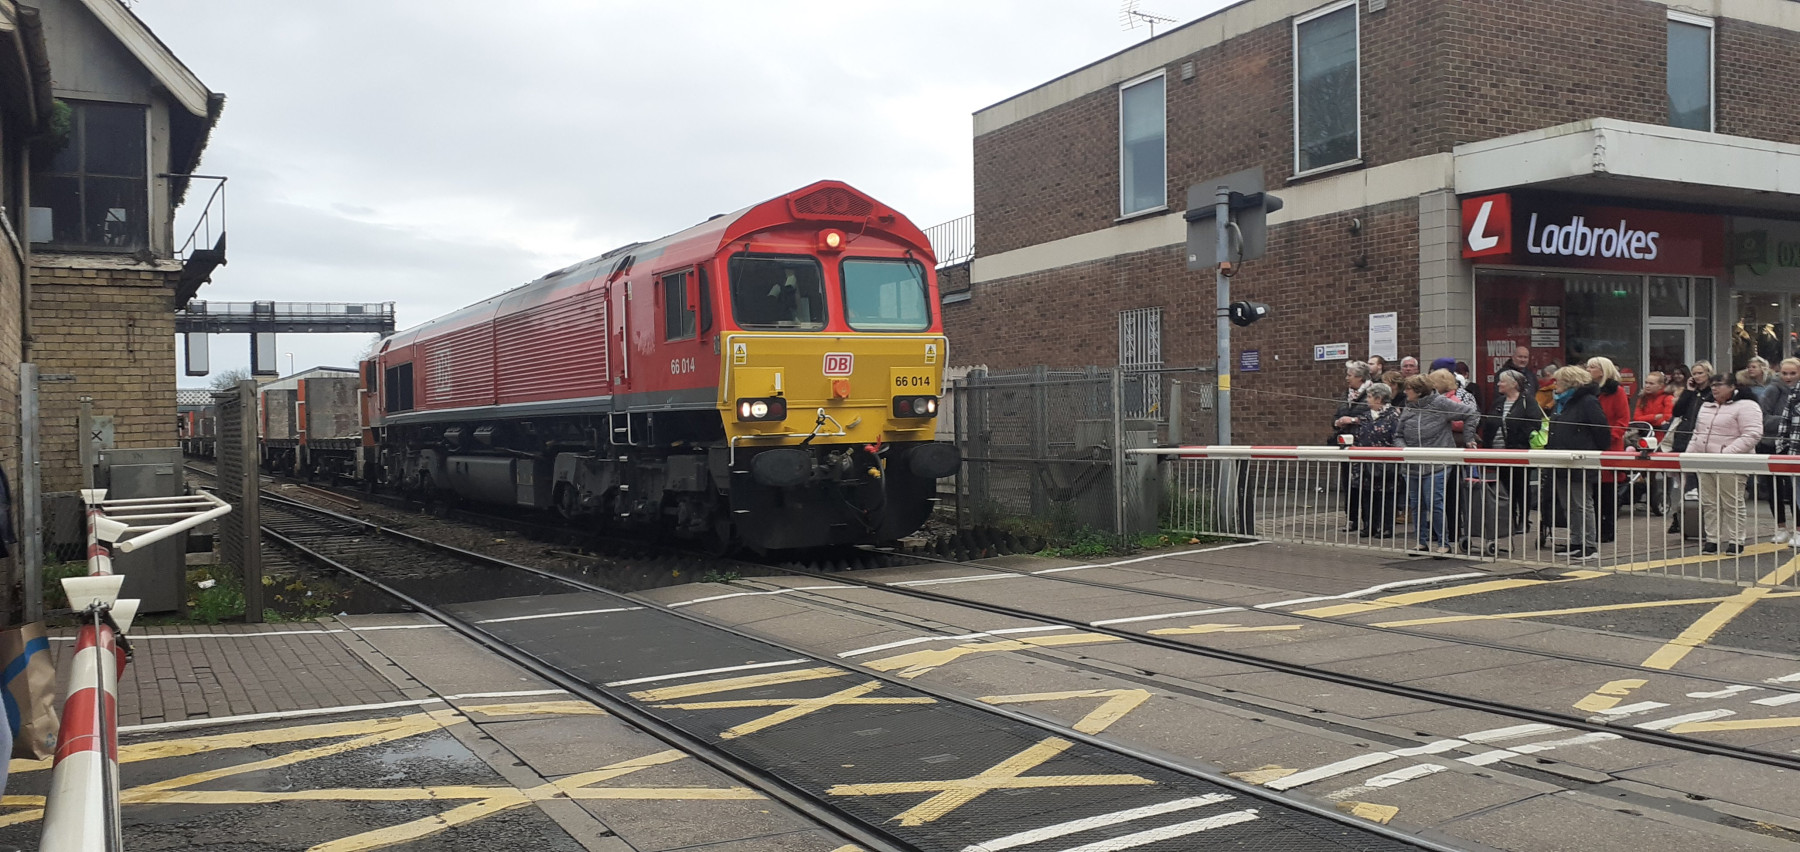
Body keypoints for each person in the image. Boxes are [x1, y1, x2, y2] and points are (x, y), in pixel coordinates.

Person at [1396, 373, 1479, 554]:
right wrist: (1404, 450)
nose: (1405, 392)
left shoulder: (1440, 403)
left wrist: (1468, 438)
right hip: (1412, 465)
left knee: (1435, 503)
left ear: (1418, 391)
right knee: (1417, 504)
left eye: (1408, 389)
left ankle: (1444, 543)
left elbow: (1471, 413)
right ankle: (1421, 542)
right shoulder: (1408, 407)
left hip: (1437, 464)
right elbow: (1398, 435)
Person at [1689, 375, 1764, 554]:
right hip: (1705, 460)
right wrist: (1689, 456)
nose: (1714, 389)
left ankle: (1736, 540)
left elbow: (1752, 434)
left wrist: (1725, 454)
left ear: (1732, 386)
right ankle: (1712, 539)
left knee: (1732, 502)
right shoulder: (1706, 405)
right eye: (1713, 385)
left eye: (1719, 385)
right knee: (1709, 502)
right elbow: (1698, 433)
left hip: (1732, 462)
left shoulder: (1747, 405)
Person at [1544, 365, 1612, 560]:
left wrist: (1591, 451)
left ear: (1569, 382)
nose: (1555, 385)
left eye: (1558, 381)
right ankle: (1575, 541)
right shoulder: (1562, 402)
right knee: (1568, 504)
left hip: (1581, 459)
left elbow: (1602, 431)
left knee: (1582, 503)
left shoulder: (1587, 401)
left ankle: (1589, 544)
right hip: (1560, 458)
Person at [1476, 369, 1543, 533]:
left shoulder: (1528, 401)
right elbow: (1490, 421)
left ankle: (1523, 520)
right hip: (1499, 452)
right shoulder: (1498, 402)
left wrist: (1520, 436)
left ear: (1513, 384)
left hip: (1519, 451)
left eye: (1502, 381)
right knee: (1506, 487)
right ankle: (1510, 519)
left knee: (1521, 487)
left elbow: (1535, 423)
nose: (1498, 384)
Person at [1666, 360, 1714, 535]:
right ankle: (1681, 518)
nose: (1697, 376)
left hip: (1702, 439)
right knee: (1684, 482)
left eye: (1700, 373)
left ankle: (1701, 521)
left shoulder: (1712, 393)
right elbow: (1677, 412)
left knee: (1699, 483)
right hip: (1684, 437)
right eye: (1694, 373)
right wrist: (1688, 391)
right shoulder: (1692, 393)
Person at [1586, 357, 1630, 542]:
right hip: (1591, 445)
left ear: (1603, 370)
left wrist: (1607, 437)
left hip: (1609, 447)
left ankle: (1607, 529)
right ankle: (1593, 528)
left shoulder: (1617, 392)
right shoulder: (1589, 391)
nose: (1587, 369)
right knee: (1593, 491)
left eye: (1592, 367)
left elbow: (1622, 420)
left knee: (1607, 492)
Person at [1351, 382, 1401, 538]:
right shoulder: (1365, 417)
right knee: (1366, 495)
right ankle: (1368, 525)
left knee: (1386, 496)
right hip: (1366, 462)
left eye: (1370, 397)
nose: (1367, 400)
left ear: (1379, 399)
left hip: (1387, 464)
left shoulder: (1394, 416)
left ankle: (1386, 527)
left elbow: (1396, 438)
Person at [1332, 361, 1374, 532]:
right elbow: (1337, 415)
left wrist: (1354, 420)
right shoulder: (1346, 395)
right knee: (1348, 484)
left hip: (1364, 445)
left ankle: (1368, 521)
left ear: (1360, 377)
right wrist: (1337, 422)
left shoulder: (1372, 393)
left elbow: (1375, 415)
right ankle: (1351, 518)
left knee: (1364, 485)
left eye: (1349, 375)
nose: (1346, 378)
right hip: (1346, 445)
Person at [1766, 358, 1800, 542]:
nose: (1788, 377)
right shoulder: (1772, 390)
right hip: (1777, 445)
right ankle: (1781, 528)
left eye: (1792, 373)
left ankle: (1798, 529)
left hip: (1791, 445)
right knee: (1776, 489)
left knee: (1794, 489)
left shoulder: (1796, 392)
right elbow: (1764, 417)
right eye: (1784, 373)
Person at [1633, 371, 1675, 516]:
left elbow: (1668, 418)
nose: (1647, 386)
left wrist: (1650, 419)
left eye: (1651, 383)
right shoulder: (1642, 398)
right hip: (1647, 436)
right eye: (1646, 382)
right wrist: (1654, 417)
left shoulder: (1667, 398)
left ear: (1661, 385)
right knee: (1648, 469)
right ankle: (1653, 499)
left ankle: (1666, 496)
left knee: (1665, 468)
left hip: (1662, 437)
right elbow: (1637, 417)